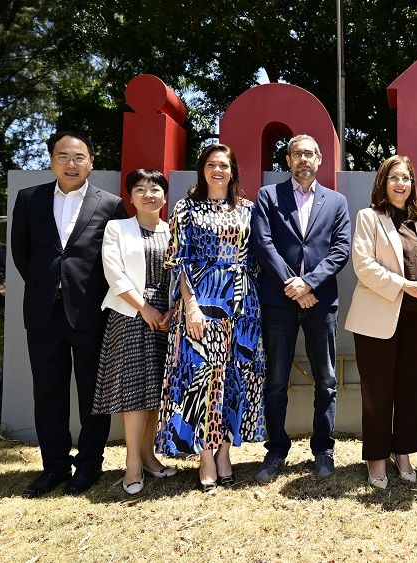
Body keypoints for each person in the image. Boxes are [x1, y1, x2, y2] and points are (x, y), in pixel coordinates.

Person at [11, 131, 128, 497]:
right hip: (44, 313)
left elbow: (117, 259)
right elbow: (22, 254)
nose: (71, 164)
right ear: (51, 160)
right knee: (48, 393)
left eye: (79, 157)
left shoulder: (110, 204)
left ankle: (89, 467)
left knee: (94, 394)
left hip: (91, 313)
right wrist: (51, 286)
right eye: (63, 156)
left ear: (91, 161)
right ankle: (55, 467)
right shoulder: (30, 199)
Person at [156, 143, 264, 492]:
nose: (218, 170)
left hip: (243, 306)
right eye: (212, 164)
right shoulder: (186, 208)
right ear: (202, 169)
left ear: (233, 172)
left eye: (225, 165)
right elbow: (177, 260)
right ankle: (205, 455)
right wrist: (190, 305)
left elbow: (259, 256)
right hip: (202, 304)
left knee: (235, 377)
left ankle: (225, 454)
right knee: (205, 379)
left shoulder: (248, 209)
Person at [250, 134, 351, 483]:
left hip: (321, 303)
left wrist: (309, 284)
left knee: (327, 379)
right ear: (288, 159)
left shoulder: (336, 202)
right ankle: (276, 450)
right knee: (276, 380)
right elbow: (262, 244)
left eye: (309, 153)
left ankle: (323, 450)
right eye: (297, 154)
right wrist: (293, 284)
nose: (303, 159)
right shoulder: (268, 196)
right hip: (278, 302)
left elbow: (341, 250)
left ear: (320, 158)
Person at [345, 155, 417, 489]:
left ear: (413, 184)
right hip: (377, 317)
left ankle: (404, 452)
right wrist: (405, 285)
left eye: (406, 178)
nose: (401, 184)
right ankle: (376, 457)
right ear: (383, 182)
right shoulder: (368, 217)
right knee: (377, 392)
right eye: (394, 177)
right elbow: (363, 266)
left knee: (410, 391)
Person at [94, 169, 176, 495]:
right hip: (131, 315)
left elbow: (181, 275)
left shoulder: (172, 231)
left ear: (164, 196)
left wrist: (172, 310)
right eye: (140, 189)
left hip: (165, 319)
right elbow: (113, 272)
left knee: (155, 390)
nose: (148, 194)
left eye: (155, 189)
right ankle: (131, 463)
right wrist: (145, 308)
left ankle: (148, 454)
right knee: (133, 391)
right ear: (130, 196)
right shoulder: (117, 228)